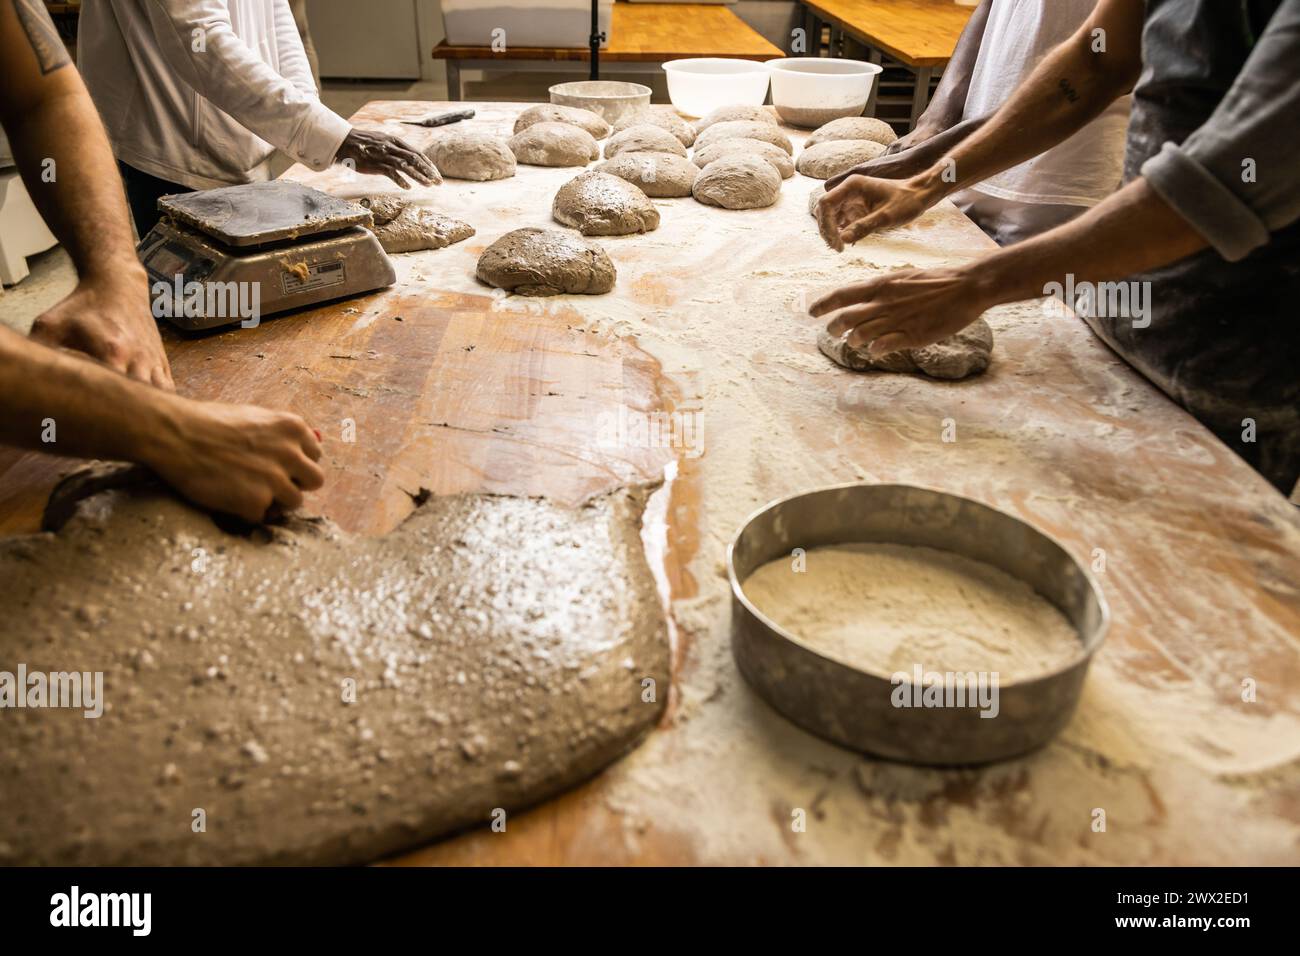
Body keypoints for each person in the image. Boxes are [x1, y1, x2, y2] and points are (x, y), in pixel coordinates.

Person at [812, 0, 1300, 497]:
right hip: (1119, 297)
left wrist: (976, 283)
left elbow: (1214, 189)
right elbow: (1097, 60)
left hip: (1237, 347)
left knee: (1182, 540)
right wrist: (925, 185)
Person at [0, 0, 323, 522]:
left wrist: (116, 271)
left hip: (236, 141)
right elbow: (197, 34)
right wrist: (169, 429)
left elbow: (45, 96)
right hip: (170, 140)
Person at [78, 0, 438, 235]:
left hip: (237, 136)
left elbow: (277, 18)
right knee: (196, 313)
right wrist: (329, 136)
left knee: (252, 294)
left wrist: (309, 112)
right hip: (170, 147)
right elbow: (199, 42)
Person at [861, 0, 1130, 246]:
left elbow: (1100, 69)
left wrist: (930, 159)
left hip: (1058, 183)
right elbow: (990, 6)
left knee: (1026, 295)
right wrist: (935, 123)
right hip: (967, 167)